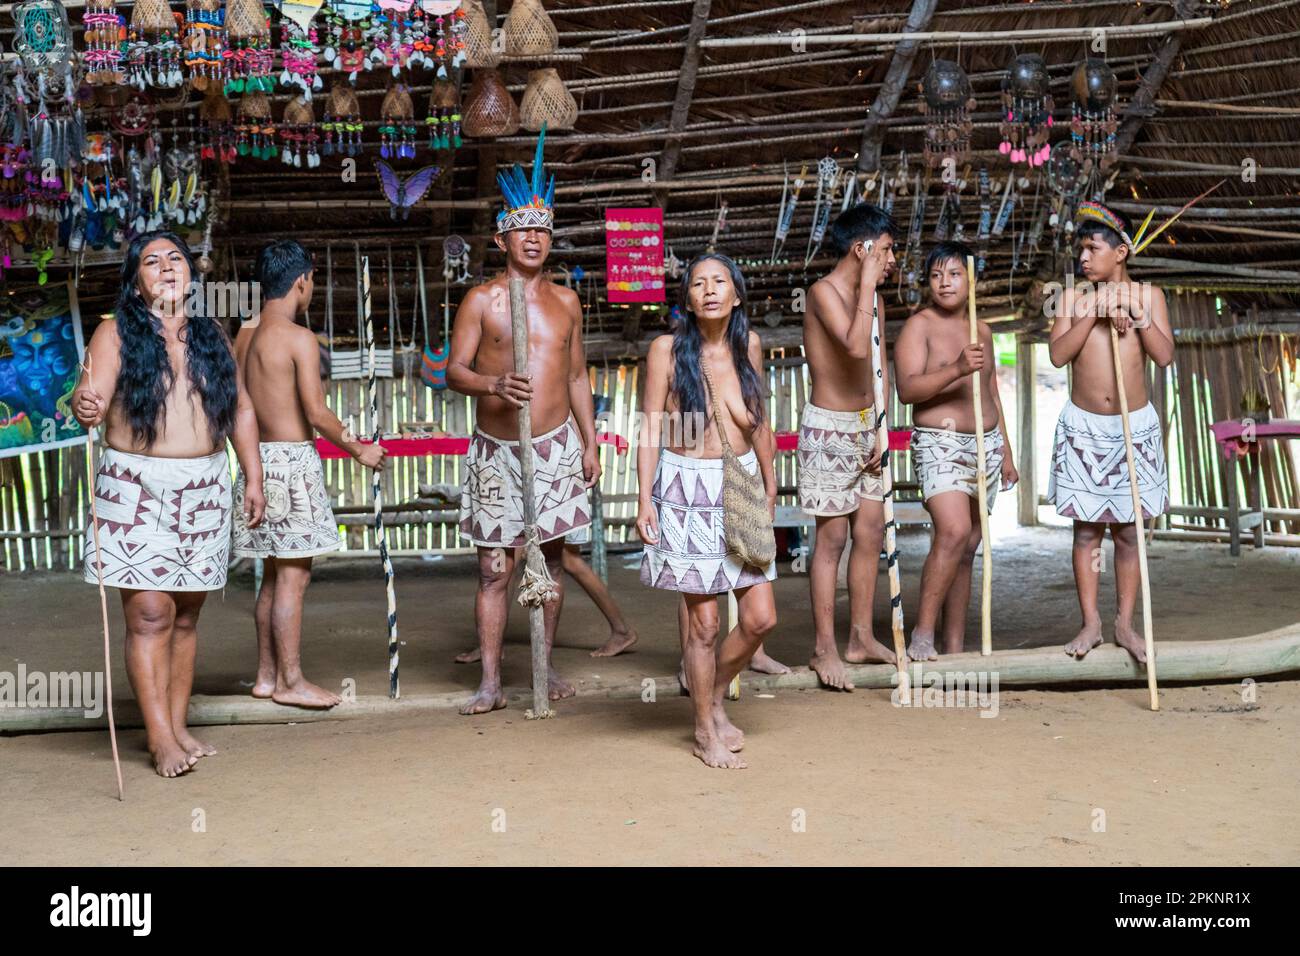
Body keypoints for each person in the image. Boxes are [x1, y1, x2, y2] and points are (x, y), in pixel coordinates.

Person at [73, 230, 266, 778]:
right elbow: (88, 398)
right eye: (151, 261)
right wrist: (85, 403)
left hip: (203, 487)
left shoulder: (212, 334)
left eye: (174, 257)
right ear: (135, 282)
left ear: (191, 274)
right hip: (134, 489)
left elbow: (242, 411)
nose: (165, 266)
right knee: (150, 613)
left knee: (185, 615)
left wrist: (251, 476)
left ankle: (179, 725)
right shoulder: (113, 333)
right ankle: (158, 737)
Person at [447, 126, 600, 715]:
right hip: (497, 450)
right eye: (522, 230)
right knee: (494, 569)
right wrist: (492, 383)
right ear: (501, 238)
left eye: (542, 229)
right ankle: (489, 681)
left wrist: (588, 443)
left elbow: (578, 377)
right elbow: (452, 371)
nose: (533, 239)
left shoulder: (567, 302)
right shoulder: (482, 300)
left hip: (557, 447)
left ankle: (544, 662)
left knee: (553, 560)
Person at [231, 240, 387, 708]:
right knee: (294, 579)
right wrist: (359, 449)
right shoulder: (299, 339)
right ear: (302, 279)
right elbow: (317, 414)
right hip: (293, 465)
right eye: (313, 281)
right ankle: (291, 682)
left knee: (273, 578)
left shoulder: (245, 333)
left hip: (257, 464)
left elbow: (240, 406)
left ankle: (265, 677)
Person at [637, 253, 778, 769]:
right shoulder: (667, 351)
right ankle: (703, 728)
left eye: (720, 282)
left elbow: (757, 419)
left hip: (738, 484)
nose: (710, 290)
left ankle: (712, 695)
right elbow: (652, 427)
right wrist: (643, 498)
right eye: (699, 283)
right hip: (684, 488)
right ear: (689, 299)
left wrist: (770, 480)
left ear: (736, 295)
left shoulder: (749, 346)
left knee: (761, 617)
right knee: (704, 624)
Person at [1048, 201, 1173, 661]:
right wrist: (1095, 311)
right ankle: (1091, 624)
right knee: (1086, 533)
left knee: (1128, 533)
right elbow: (1059, 355)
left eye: (1092, 248)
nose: (1083, 257)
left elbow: (1164, 355)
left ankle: (1124, 623)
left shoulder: (1149, 296)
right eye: (1080, 249)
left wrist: (1135, 315)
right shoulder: (1070, 298)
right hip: (1084, 430)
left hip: (1133, 429)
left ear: (1121, 252)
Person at [894, 240, 1018, 658]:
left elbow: (991, 393)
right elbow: (908, 389)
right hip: (940, 444)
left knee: (967, 548)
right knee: (953, 531)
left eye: (954, 274)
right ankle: (923, 634)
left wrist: (1009, 454)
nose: (944, 283)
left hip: (986, 445)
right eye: (935, 275)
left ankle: (954, 648)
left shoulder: (981, 329)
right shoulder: (920, 325)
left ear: (971, 279)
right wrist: (958, 367)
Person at [796, 202, 899, 691]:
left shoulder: (872, 297)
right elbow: (855, 346)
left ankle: (860, 636)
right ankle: (824, 647)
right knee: (832, 539)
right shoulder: (822, 293)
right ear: (861, 249)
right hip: (829, 428)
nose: (892, 259)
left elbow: (878, 361)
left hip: (866, 425)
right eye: (885, 249)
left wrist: (883, 424)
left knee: (872, 531)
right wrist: (866, 286)